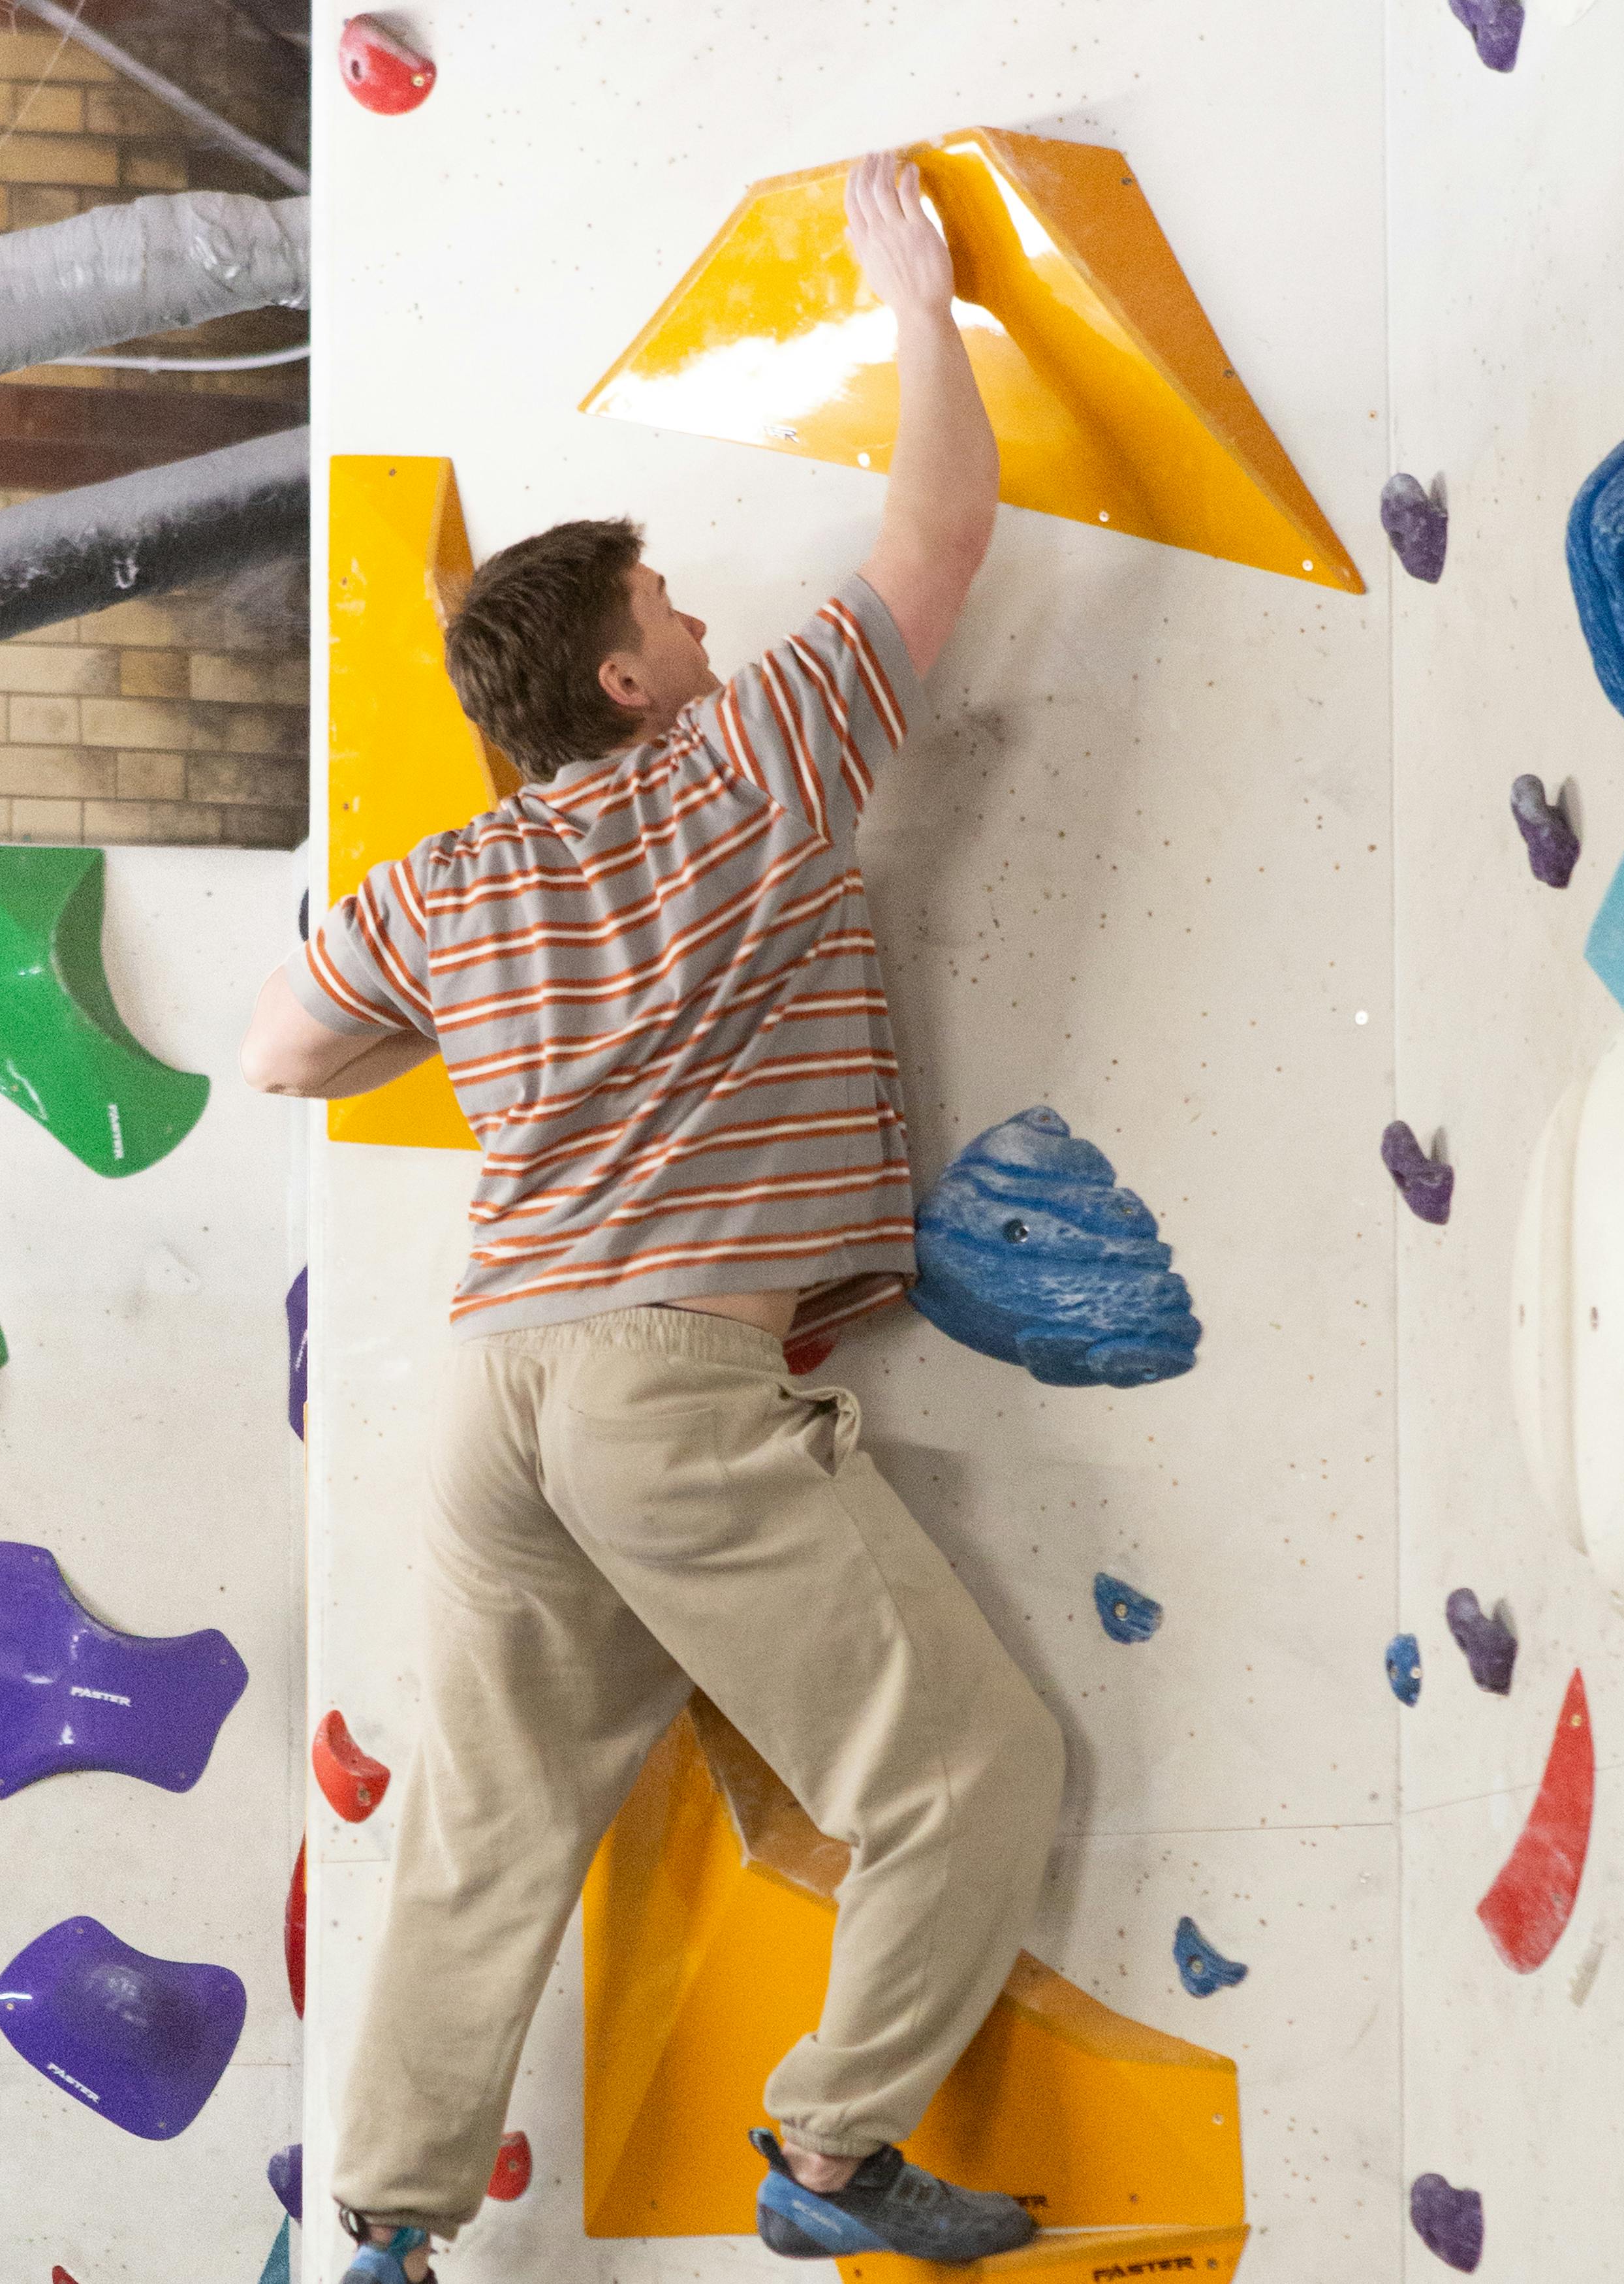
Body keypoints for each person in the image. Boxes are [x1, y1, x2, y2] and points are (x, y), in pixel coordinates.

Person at [241, 151, 1066, 2284]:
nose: (705, 622)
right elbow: (941, 531)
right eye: (672, 611)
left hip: (497, 1385)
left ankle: (386, 2237)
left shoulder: (445, 885)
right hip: (664, 1379)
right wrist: (916, 292)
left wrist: (508, 1020)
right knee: (972, 1767)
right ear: (626, 684)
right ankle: (836, 2147)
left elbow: (284, 1055)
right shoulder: (752, 761)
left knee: (486, 1819)